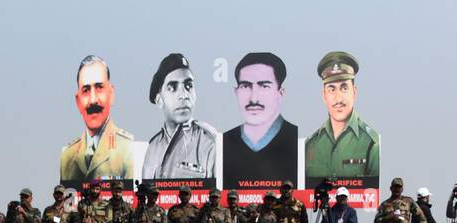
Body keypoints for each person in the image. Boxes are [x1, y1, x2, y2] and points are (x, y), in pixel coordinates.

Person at [222, 52, 298, 190]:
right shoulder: (223, 143)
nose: (254, 99)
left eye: (264, 86)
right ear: (236, 92)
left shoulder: (296, 140)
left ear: (280, 92)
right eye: (245, 86)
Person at [303, 51, 380, 184]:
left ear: (354, 93)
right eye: (331, 89)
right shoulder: (310, 146)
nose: (338, 98)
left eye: (344, 88)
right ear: (324, 96)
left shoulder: (371, 143)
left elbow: (372, 192)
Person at [140, 53, 218, 181]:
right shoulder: (153, 147)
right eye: (173, 88)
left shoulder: (208, 142)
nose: (184, 95)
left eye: (189, 86)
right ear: (159, 99)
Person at [59, 56, 135, 185]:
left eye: (99, 87)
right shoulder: (68, 156)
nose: (93, 100)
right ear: (78, 101)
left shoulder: (127, 149)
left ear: (111, 94)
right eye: (86, 90)